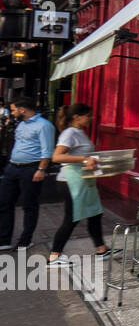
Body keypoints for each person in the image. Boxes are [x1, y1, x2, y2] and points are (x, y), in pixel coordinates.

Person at [49, 103, 109, 264]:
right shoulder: (69, 133)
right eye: (88, 115)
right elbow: (57, 157)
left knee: (95, 214)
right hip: (71, 180)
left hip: (82, 180)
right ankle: (54, 256)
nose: (91, 118)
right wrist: (85, 159)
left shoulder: (79, 132)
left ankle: (101, 249)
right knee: (72, 218)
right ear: (76, 117)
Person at [0, 97, 56, 251]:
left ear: (22, 109)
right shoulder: (20, 124)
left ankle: (25, 240)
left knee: (29, 205)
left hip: (30, 169)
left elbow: (47, 150)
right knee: (4, 202)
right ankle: (4, 240)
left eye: (13, 110)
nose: (11, 113)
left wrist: (41, 169)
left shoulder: (44, 126)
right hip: (12, 168)